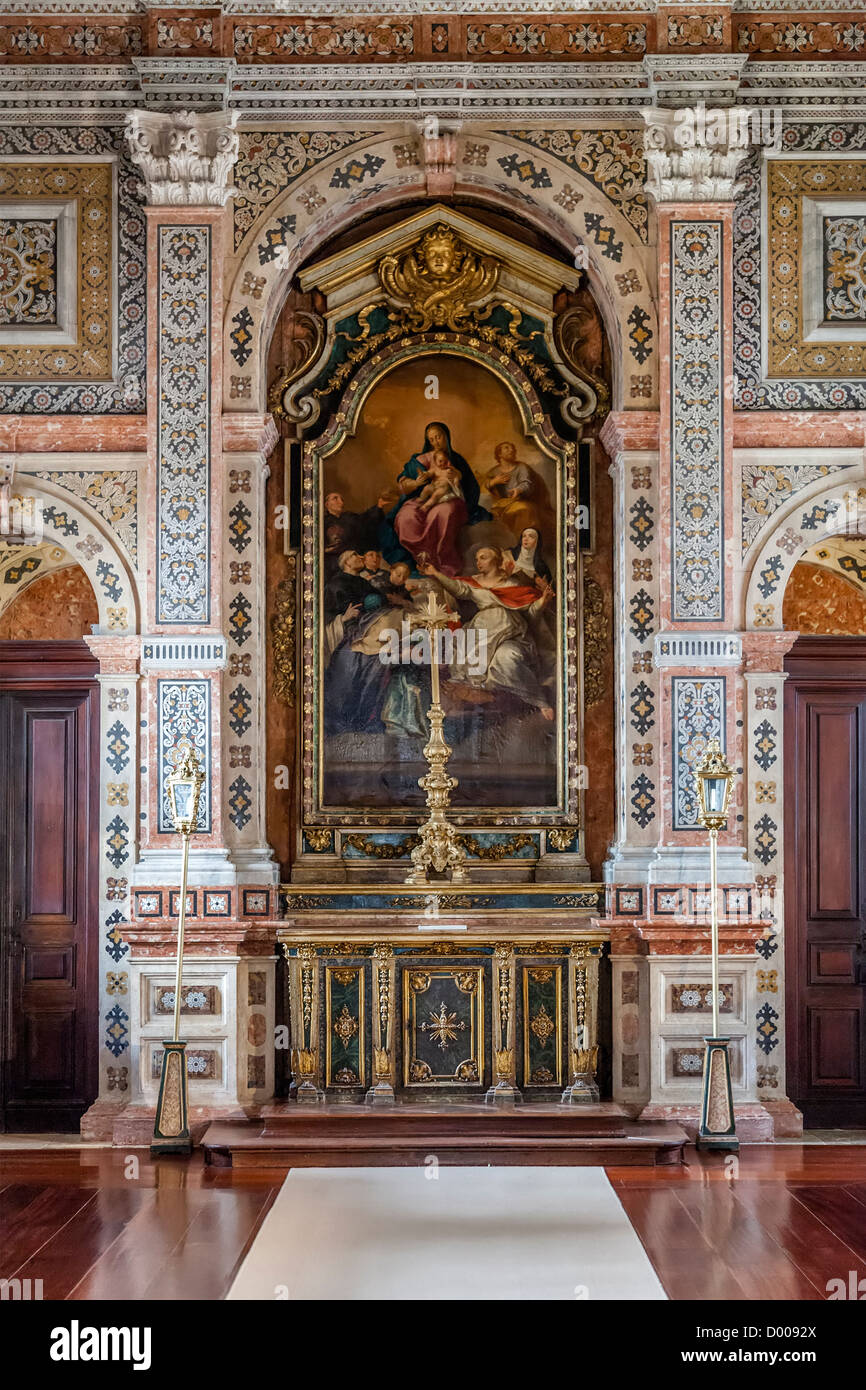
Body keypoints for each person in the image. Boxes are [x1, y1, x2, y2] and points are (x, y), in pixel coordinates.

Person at [418, 545, 556, 719]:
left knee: (508, 658)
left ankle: (538, 700)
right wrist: (435, 574)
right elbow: (459, 589)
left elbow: (531, 612)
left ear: (497, 560)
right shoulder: (475, 584)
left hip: (510, 633)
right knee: (468, 655)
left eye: (483, 557)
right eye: (476, 558)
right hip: (482, 629)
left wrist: (542, 601)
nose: (478, 562)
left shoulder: (513, 584)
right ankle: (474, 698)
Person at [388, 421, 488, 576]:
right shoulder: (420, 459)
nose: (435, 442)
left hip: (451, 498)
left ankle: (441, 563)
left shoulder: (456, 460)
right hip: (425, 497)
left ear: (446, 436)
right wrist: (415, 483)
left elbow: (471, 486)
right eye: (431, 439)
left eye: (438, 437)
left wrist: (456, 478)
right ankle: (421, 559)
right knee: (406, 516)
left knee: (442, 513)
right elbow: (403, 482)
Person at [484, 441, 555, 543]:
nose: (511, 450)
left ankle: (521, 543)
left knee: (525, 509)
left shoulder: (521, 467)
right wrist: (493, 482)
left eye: (512, 448)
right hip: (499, 504)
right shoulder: (493, 471)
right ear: (499, 454)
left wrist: (518, 490)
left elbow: (526, 482)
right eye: (507, 448)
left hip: (517, 501)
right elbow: (483, 486)